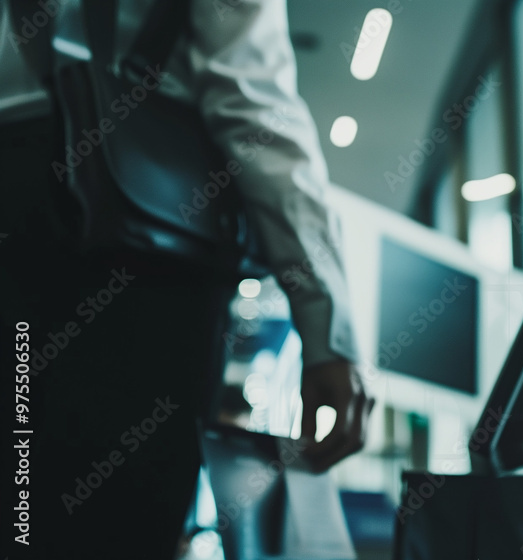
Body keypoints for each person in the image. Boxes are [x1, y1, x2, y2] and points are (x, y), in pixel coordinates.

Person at [0, 0, 373, 557]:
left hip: (23, 206)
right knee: (109, 526)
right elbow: (254, 109)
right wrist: (329, 331)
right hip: (140, 268)